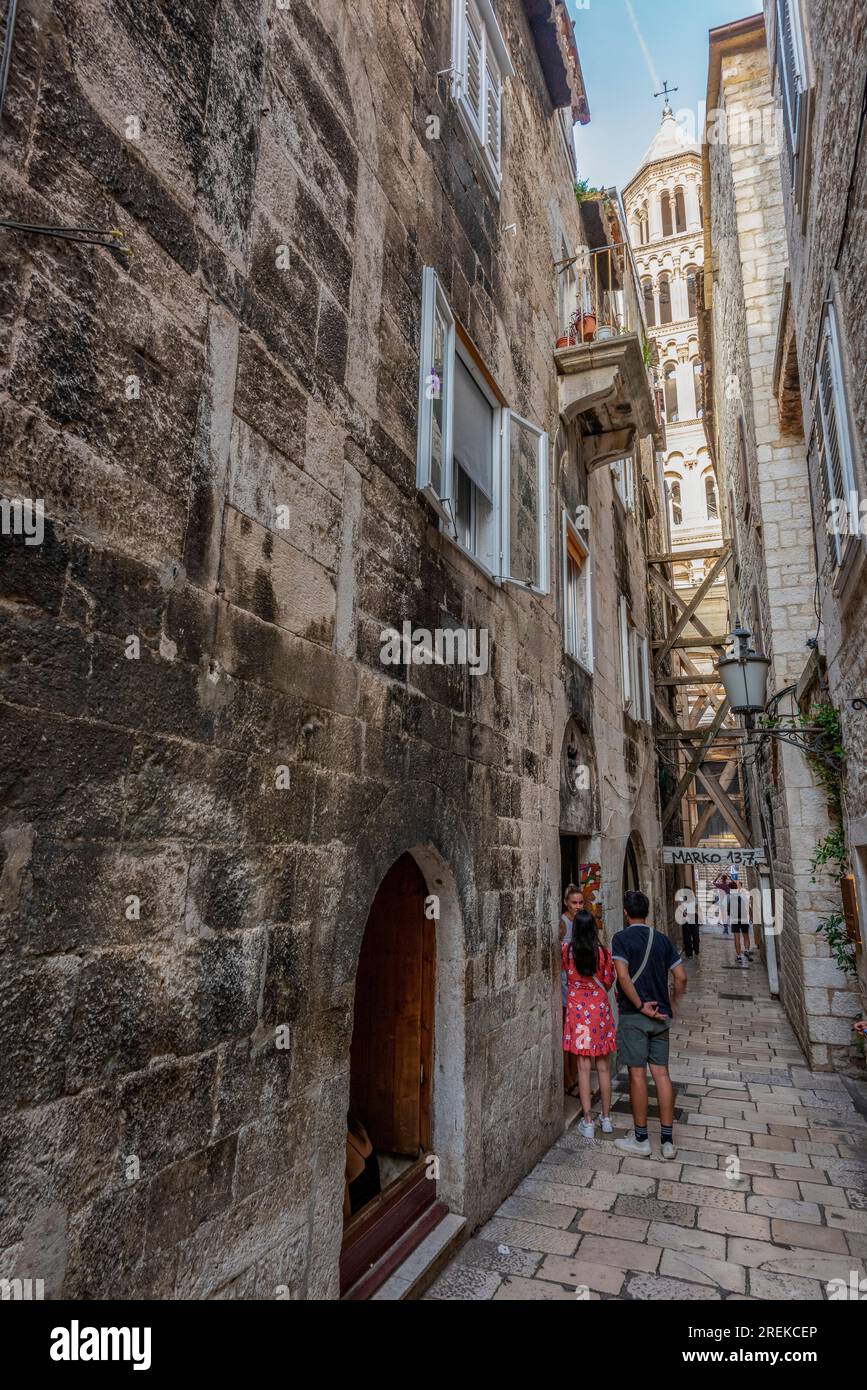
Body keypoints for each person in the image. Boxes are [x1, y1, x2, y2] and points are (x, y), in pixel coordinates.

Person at [612, 889, 687, 1160]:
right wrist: (674, 1003)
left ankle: (641, 1138)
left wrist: (640, 1005)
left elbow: (622, 976)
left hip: (635, 1017)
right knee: (662, 1074)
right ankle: (667, 1141)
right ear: (647, 912)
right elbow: (680, 977)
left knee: (636, 1075)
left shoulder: (621, 939)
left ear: (625, 913)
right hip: (661, 1016)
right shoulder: (663, 940)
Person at [562, 909, 617, 1139]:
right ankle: (606, 1118)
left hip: (578, 1014)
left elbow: (565, 972)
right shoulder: (603, 954)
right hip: (599, 1014)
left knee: (583, 1068)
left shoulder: (567, 952)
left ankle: (587, 1121)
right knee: (603, 1067)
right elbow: (609, 980)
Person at [559, 884, 584, 1096]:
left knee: (576, 1034)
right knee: (567, 1033)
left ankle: (575, 1076)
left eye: (580, 902)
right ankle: (568, 1079)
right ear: (566, 903)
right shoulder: (563, 924)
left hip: (578, 986)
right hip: (565, 986)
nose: (577, 906)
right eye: (574, 902)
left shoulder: (581, 923)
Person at [343, 1111, 380, 1220]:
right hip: (376, 1210)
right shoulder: (357, 1126)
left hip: (362, 1221)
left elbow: (346, 1215)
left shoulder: (344, 1147)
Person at [728, 868, 754, 966]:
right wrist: (751, 917)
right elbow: (748, 907)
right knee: (746, 935)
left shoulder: (730, 896)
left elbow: (727, 909)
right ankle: (746, 950)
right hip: (743, 918)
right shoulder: (744, 895)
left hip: (735, 919)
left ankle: (739, 956)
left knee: (737, 938)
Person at [713, 868, 734, 935]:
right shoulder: (728, 885)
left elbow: (713, 882)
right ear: (726, 879)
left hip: (722, 901)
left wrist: (717, 876)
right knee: (727, 914)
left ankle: (725, 928)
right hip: (728, 900)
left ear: (721, 879)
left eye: (721, 878)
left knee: (724, 915)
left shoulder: (720, 885)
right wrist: (730, 877)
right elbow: (734, 883)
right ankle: (726, 928)